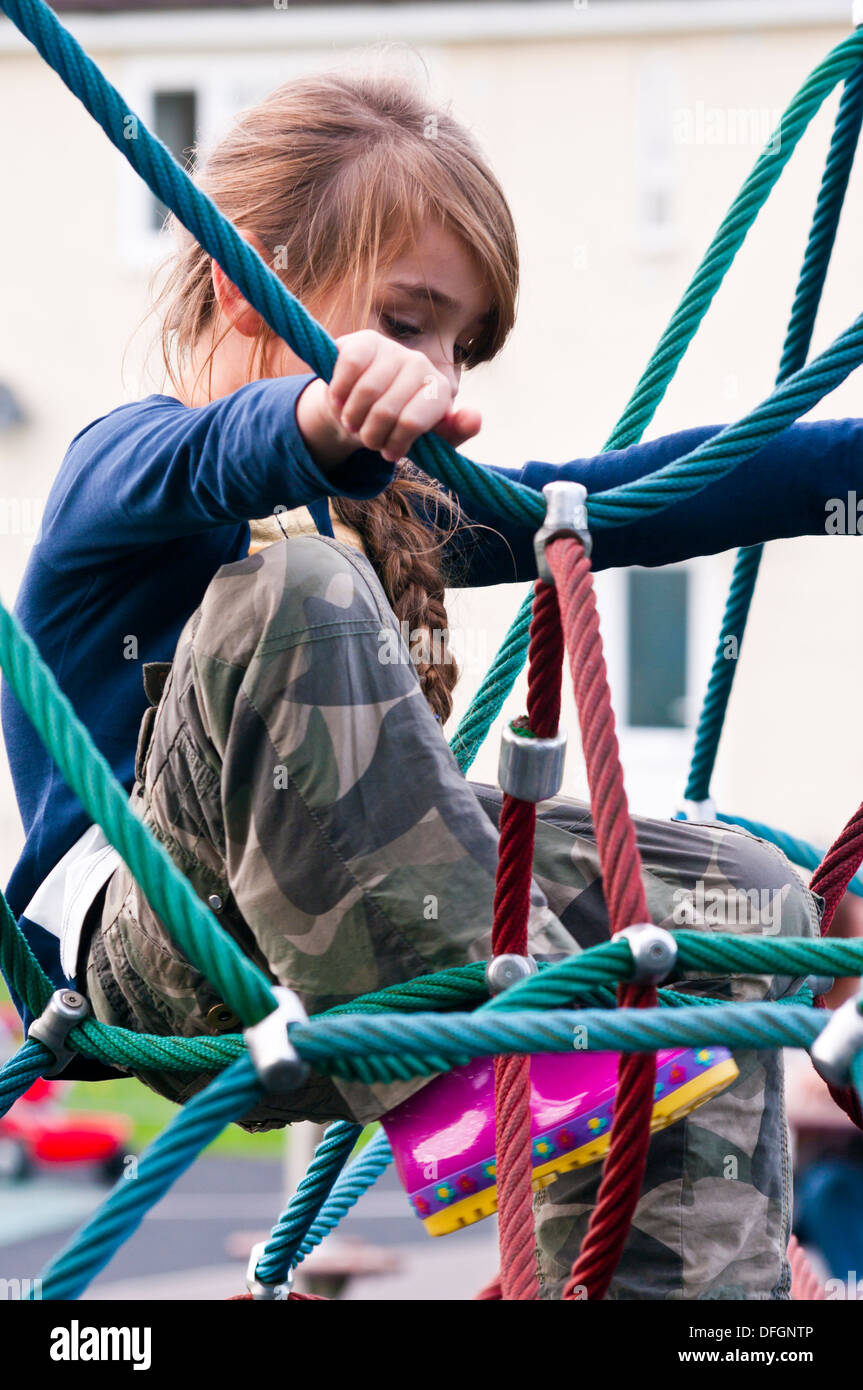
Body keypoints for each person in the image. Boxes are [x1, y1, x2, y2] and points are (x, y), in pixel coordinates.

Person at [2, 67, 856, 1299]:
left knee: (741, 892)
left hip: (346, 928)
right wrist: (315, 412)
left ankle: (683, 1289)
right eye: (407, 326)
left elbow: (634, 494)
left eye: (459, 346)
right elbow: (209, 452)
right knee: (299, 593)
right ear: (244, 289)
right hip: (158, 943)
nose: (441, 377)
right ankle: (507, 1074)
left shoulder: (386, 506)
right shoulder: (118, 473)